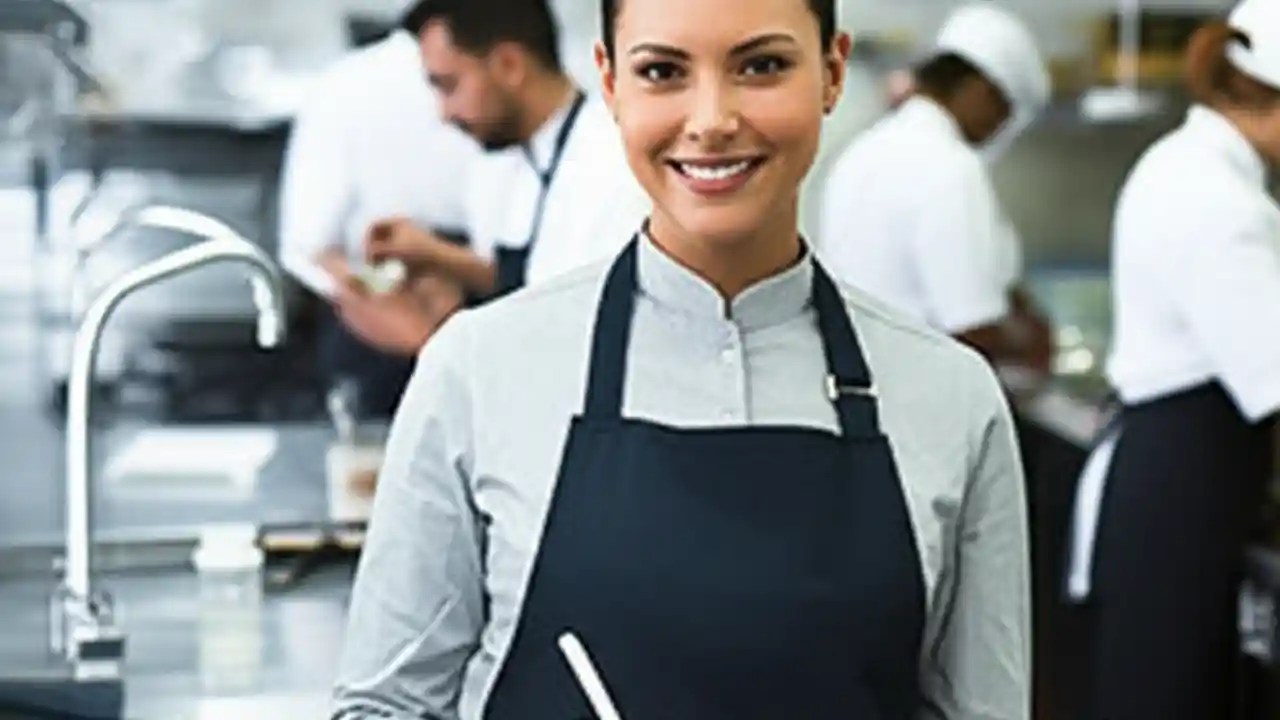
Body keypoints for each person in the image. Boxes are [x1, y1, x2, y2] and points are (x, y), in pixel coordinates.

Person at [333, 0, 1029, 717]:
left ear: (831, 72)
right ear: (610, 84)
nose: (712, 119)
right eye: (662, 71)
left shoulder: (952, 397)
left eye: (762, 66)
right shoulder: (478, 370)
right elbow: (386, 707)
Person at [1065, 3, 1280, 718]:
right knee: (1167, 695)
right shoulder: (1219, 202)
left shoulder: (1191, 166)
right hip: (1184, 483)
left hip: (1175, 472)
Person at [817, 4, 1053, 375]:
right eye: (1002, 111)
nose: (997, 130)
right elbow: (973, 325)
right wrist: (1032, 341)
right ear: (979, 90)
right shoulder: (951, 165)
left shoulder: (861, 153)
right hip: (923, 396)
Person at [362, 0, 649, 305]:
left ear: (509, 65)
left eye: (449, 85)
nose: (444, 113)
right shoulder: (516, 157)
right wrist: (433, 256)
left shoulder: (609, 162)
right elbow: (526, 279)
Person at [278, 0, 481, 416]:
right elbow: (313, 250)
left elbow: (308, 244)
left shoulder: (344, 83)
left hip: (470, 321)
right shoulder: (347, 85)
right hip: (387, 327)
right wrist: (395, 316)